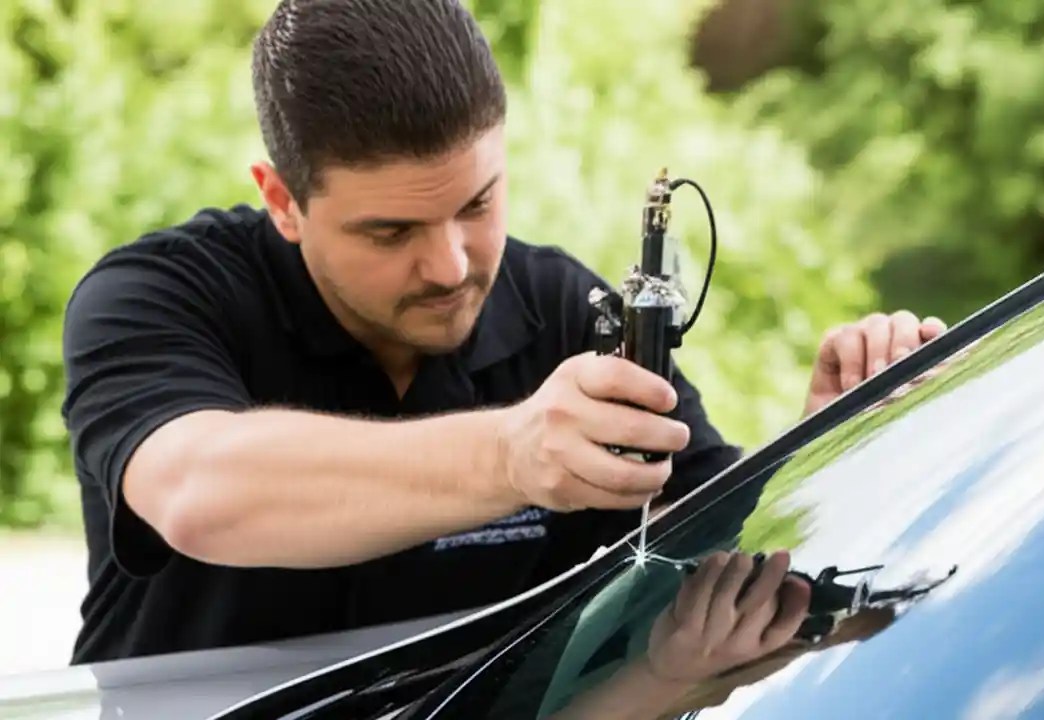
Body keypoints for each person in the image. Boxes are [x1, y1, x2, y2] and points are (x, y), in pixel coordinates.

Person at [60, 0, 947, 665]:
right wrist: (514, 458)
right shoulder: (157, 294)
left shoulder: (566, 311)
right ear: (283, 201)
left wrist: (836, 443)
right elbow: (197, 493)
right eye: (390, 233)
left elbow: (721, 566)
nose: (450, 266)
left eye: (477, 204)